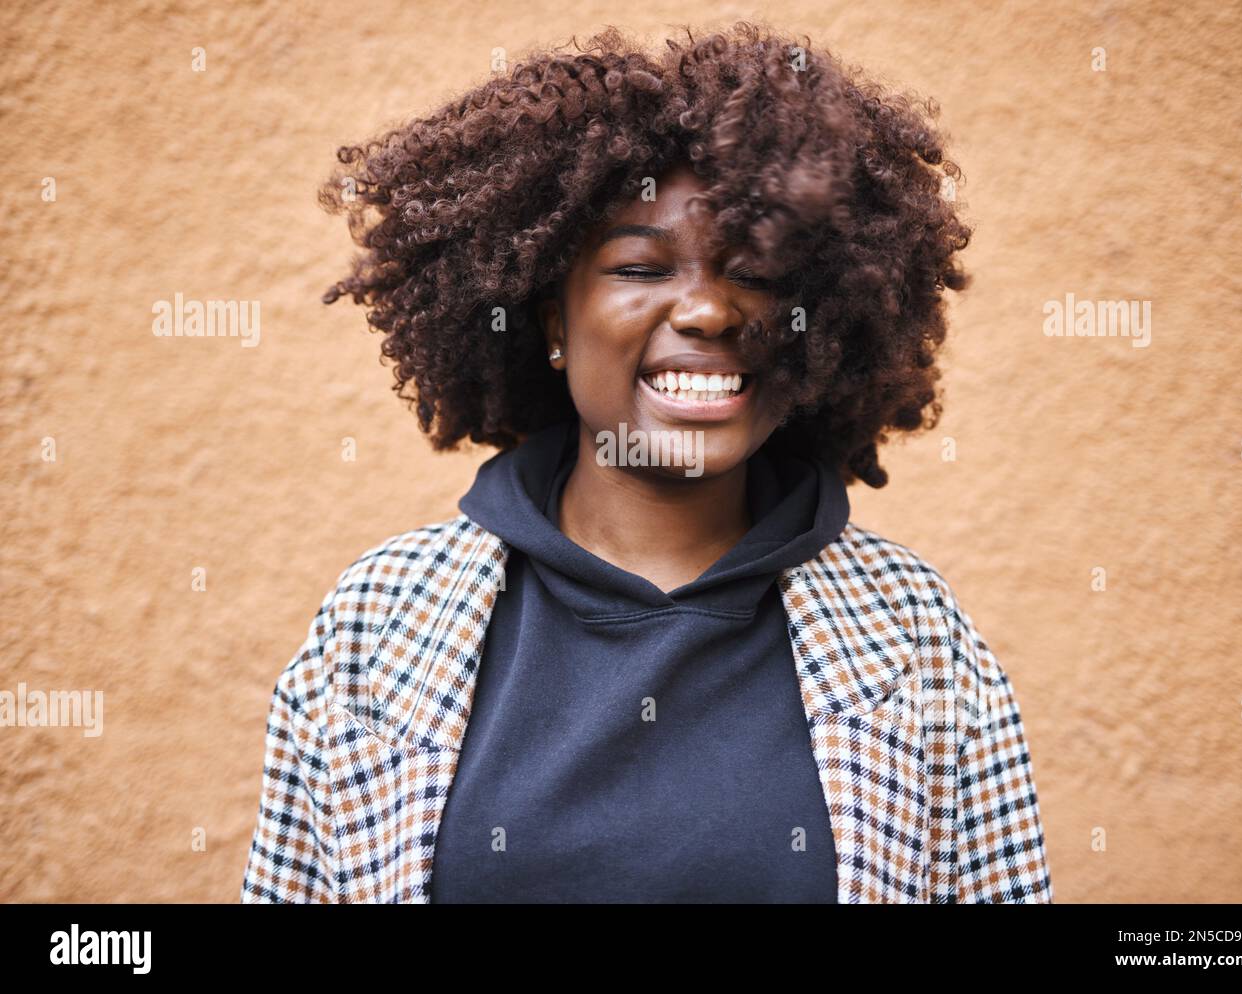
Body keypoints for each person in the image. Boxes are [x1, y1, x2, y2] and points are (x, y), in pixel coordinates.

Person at [240, 21, 1052, 904]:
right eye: (640, 266)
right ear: (553, 320)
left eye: (759, 274)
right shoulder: (378, 623)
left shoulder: (916, 637)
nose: (706, 310)